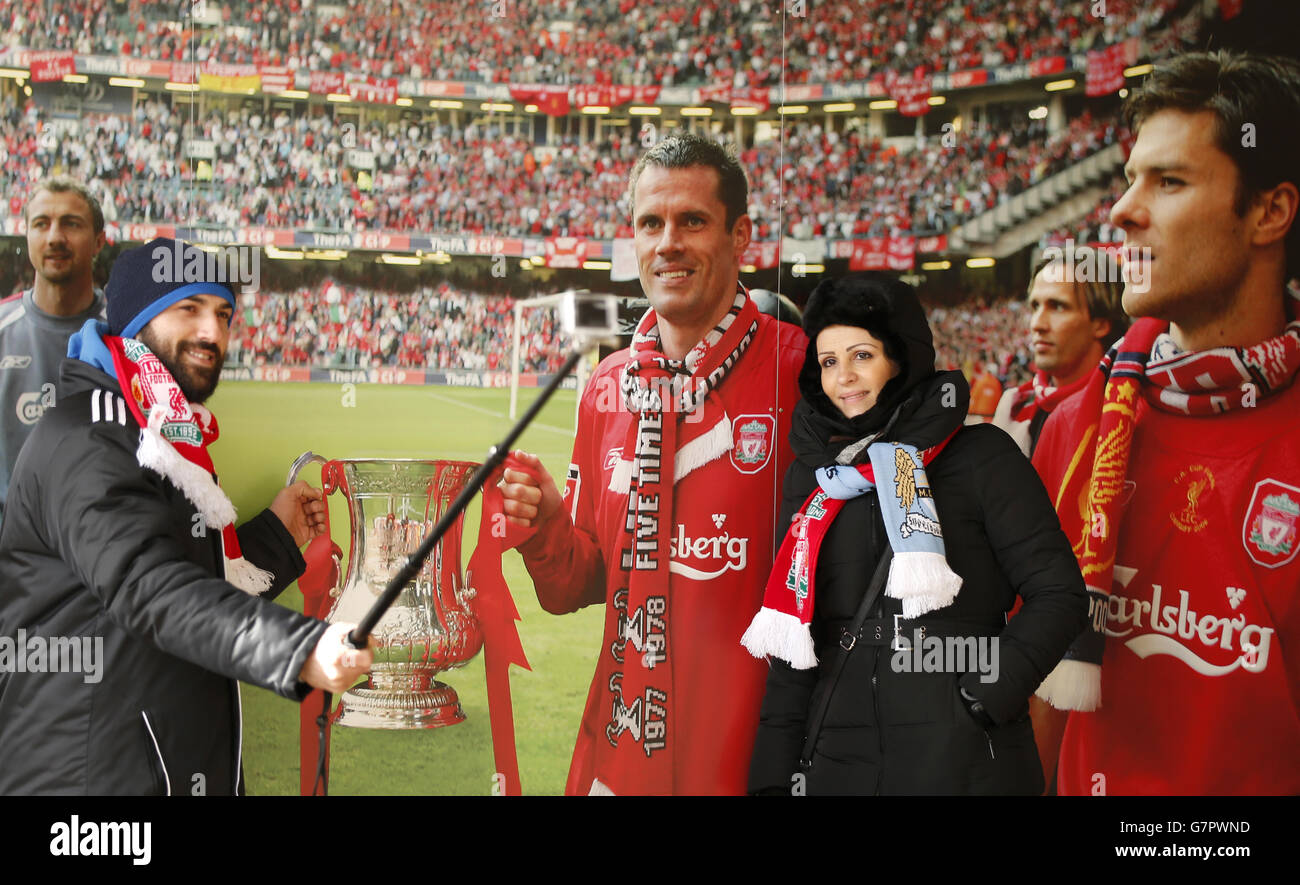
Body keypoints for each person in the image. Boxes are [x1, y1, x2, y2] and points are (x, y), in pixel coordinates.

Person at [0, 237, 373, 795]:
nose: (212, 333)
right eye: (188, 308)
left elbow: (185, 581)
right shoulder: (90, 434)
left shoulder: (160, 426)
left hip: (152, 765)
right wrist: (297, 649)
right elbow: (147, 586)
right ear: (136, 321)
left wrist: (274, 539)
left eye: (223, 313)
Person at [498, 132, 806, 795]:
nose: (668, 242)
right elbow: (574, 585)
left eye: (692, 220)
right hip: (622, 753)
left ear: (740, 234)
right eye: (650, 223)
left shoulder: (800, 371)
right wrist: (548, 525)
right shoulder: (605, 387)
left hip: (753, 758)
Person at [1032, 51, 1300, 795]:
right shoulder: (1078, 424)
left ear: (1270, 212)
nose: (1122, 210)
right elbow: (1036, 703)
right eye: (1130, 180)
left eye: (1170, 181)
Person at [742, 274, 1088, 795]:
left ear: (901, 357)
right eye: (829, 361)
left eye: (861, 355)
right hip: (841, 768)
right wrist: (770, 780)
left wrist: (980, 699)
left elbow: (1059, 595)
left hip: (969, 767)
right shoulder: (811, 478)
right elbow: (796, 644)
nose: (844, 378)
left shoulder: (981, 456)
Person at [0, 177, 107, 519]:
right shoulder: (3, 330)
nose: (55, 237)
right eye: (41, 224)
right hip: (12, 555)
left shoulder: (130, 336)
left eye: (71, 224)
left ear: (98, 242)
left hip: (101, 555)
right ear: (27, 235)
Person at [992, 250, 1130, 456]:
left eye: (1057, 307)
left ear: (1101, 323)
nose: (1037, 324)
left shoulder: (1127, 412)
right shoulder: (1014, 410)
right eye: (1035, 306)